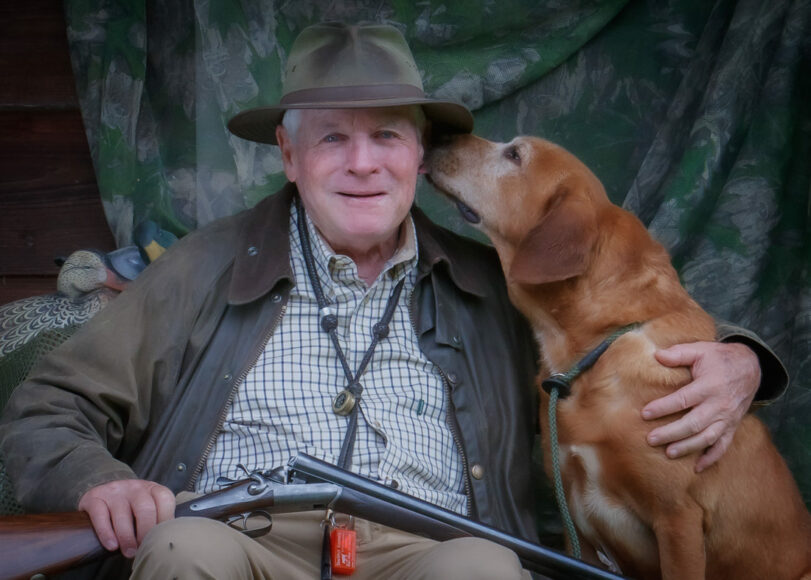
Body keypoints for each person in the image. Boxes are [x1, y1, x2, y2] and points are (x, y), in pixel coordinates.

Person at [0, 22, 786, 579]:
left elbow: (614, 323)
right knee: (182, 552)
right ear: (289, 154)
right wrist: (96, 480)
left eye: (387, 137)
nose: (363, 165)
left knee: (482, 572)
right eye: (333, 138)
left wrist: (741, 358)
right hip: (239, 539)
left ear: (418, 153)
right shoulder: (204, 264)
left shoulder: (492, 279)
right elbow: (50, 404)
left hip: (428, 545)